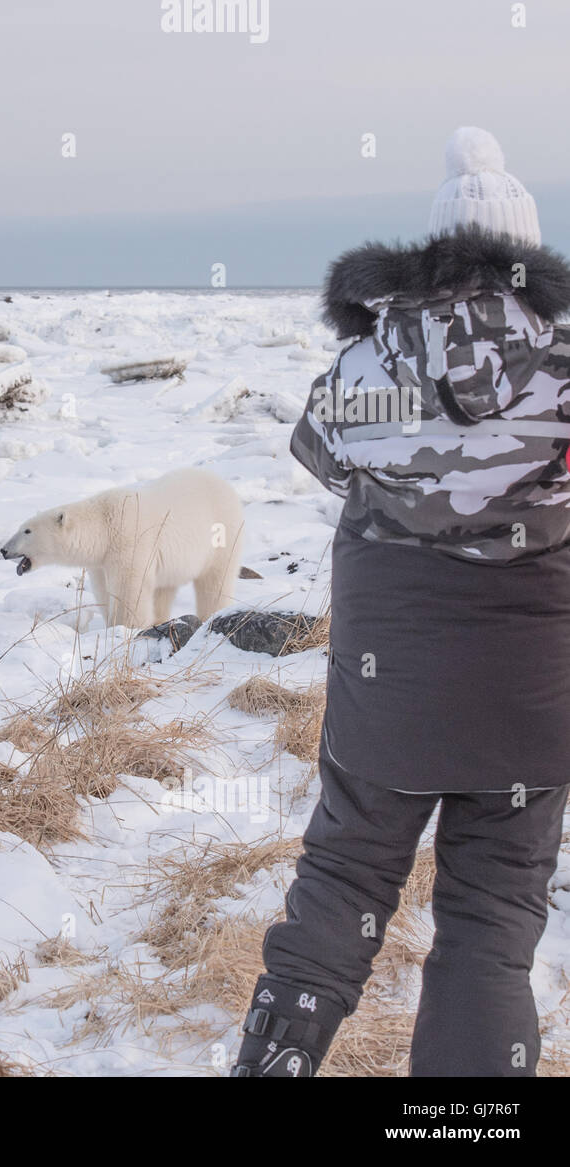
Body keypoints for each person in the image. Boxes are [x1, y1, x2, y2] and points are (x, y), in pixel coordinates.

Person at [231, 128, 570, 1077]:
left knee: (339, 887)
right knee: (493, 920)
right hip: (532, 687)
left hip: (392, 683)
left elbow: (323, 461)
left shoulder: (361, 367)